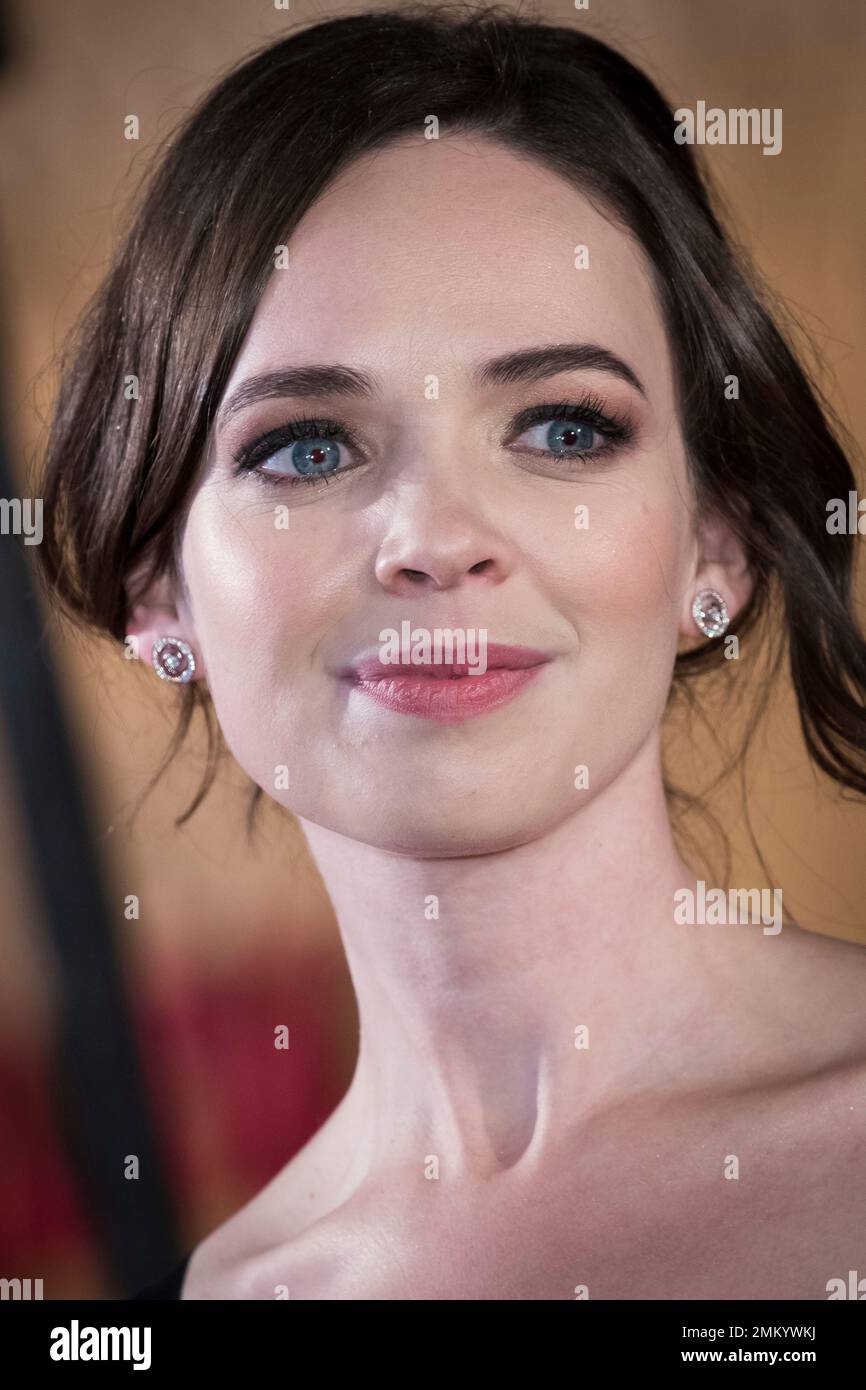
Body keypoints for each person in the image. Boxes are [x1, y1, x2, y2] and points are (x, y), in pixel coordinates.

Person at [35, 5, 866, 1300]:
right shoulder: (236, 1291)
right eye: (305, 445)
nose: (433, 539)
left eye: (561, 428)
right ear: (159, 591)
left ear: (716, 545)